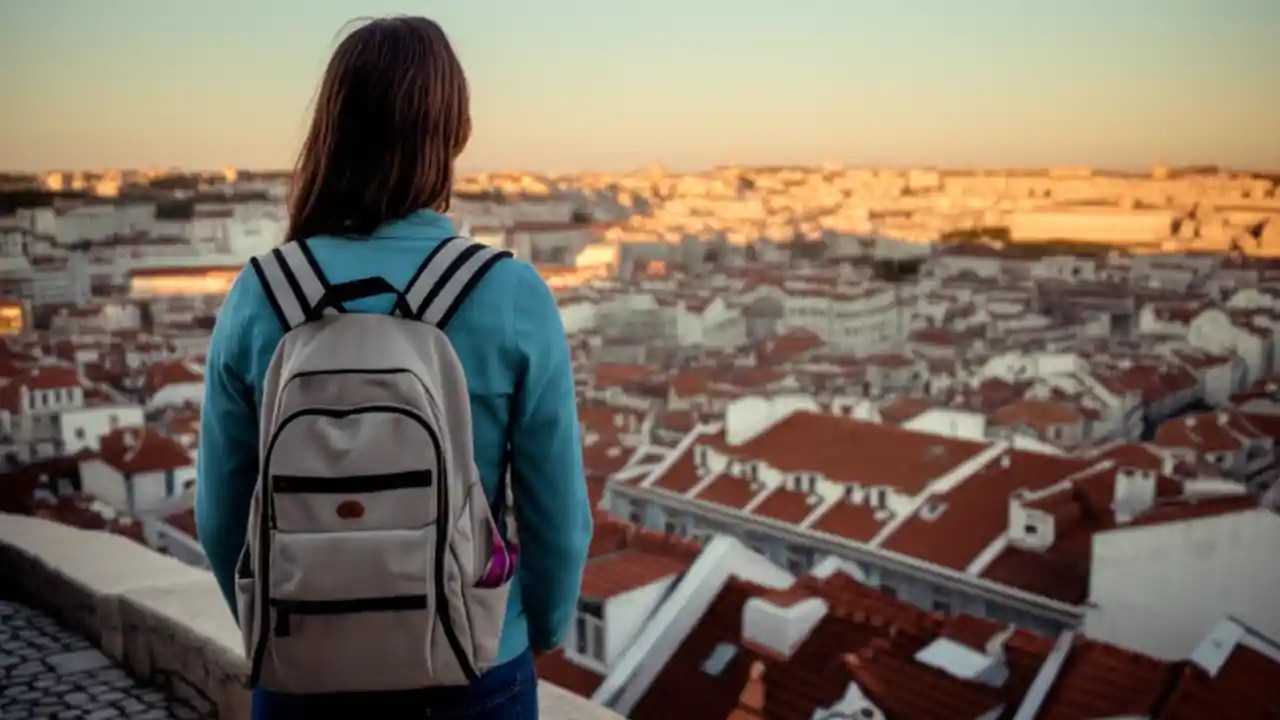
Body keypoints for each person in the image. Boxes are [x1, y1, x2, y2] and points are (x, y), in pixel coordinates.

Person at [195, 16, 593, 719]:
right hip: (475, 664)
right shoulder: (511, 294)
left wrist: (286, 628)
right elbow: (557, 520)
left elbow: (221, 515)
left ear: (332, 127)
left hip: (302, 673)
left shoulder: (260, 295)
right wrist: (537, 629)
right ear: (453, 134)